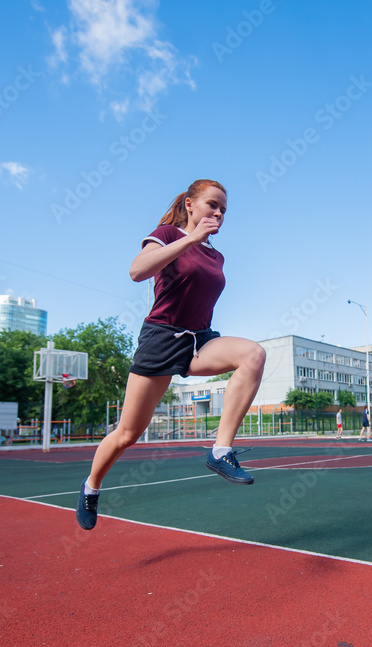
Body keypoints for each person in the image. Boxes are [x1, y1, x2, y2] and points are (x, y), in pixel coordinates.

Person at [76, 179, 266, 531]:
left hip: (199, 340)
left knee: (253, 355)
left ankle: (220, 451)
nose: (219, 213)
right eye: (212, 204)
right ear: (191, 205)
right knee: (127, 434)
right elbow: (137, 272)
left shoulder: (216, 255)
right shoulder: (167, 233)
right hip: (162, 337)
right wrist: (190, 239)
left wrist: (199, 243)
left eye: (224, 209)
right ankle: (91, 487)